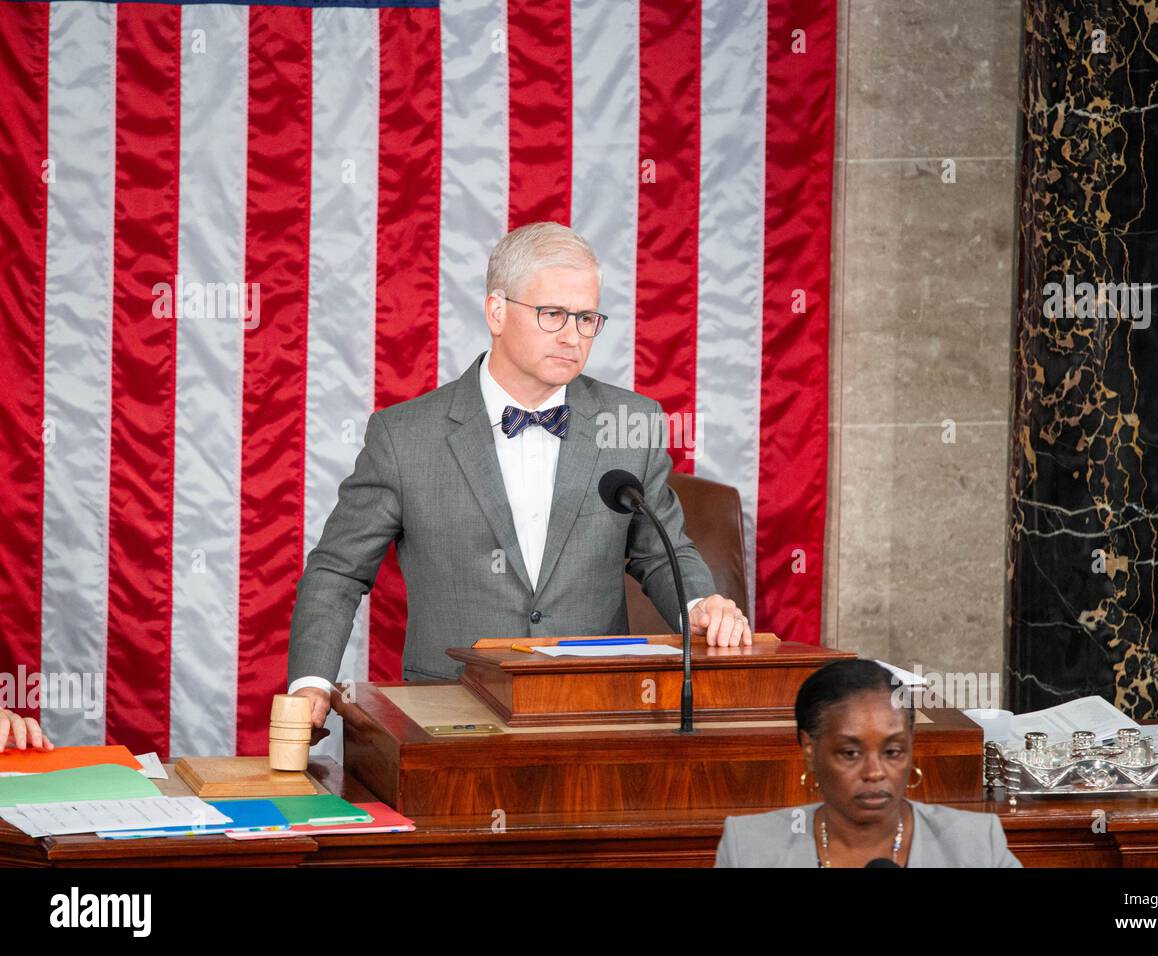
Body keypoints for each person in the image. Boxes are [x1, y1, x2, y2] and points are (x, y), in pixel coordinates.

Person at [288, 222, 752, 728]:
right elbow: (338, 571)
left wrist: (699, 603)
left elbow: (661, 553)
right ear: (497, 311)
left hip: (595, 711)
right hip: (452, 714)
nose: (572, 336)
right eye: (553, 314)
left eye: (587, 318)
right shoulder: (403, 436)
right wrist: (311, 683)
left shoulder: (630, 423)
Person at [715, 659, 1021, 867]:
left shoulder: (977, 845)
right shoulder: (749, 848)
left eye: (893, 752)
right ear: (810, 749)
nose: (875, 773)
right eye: (850, 753)